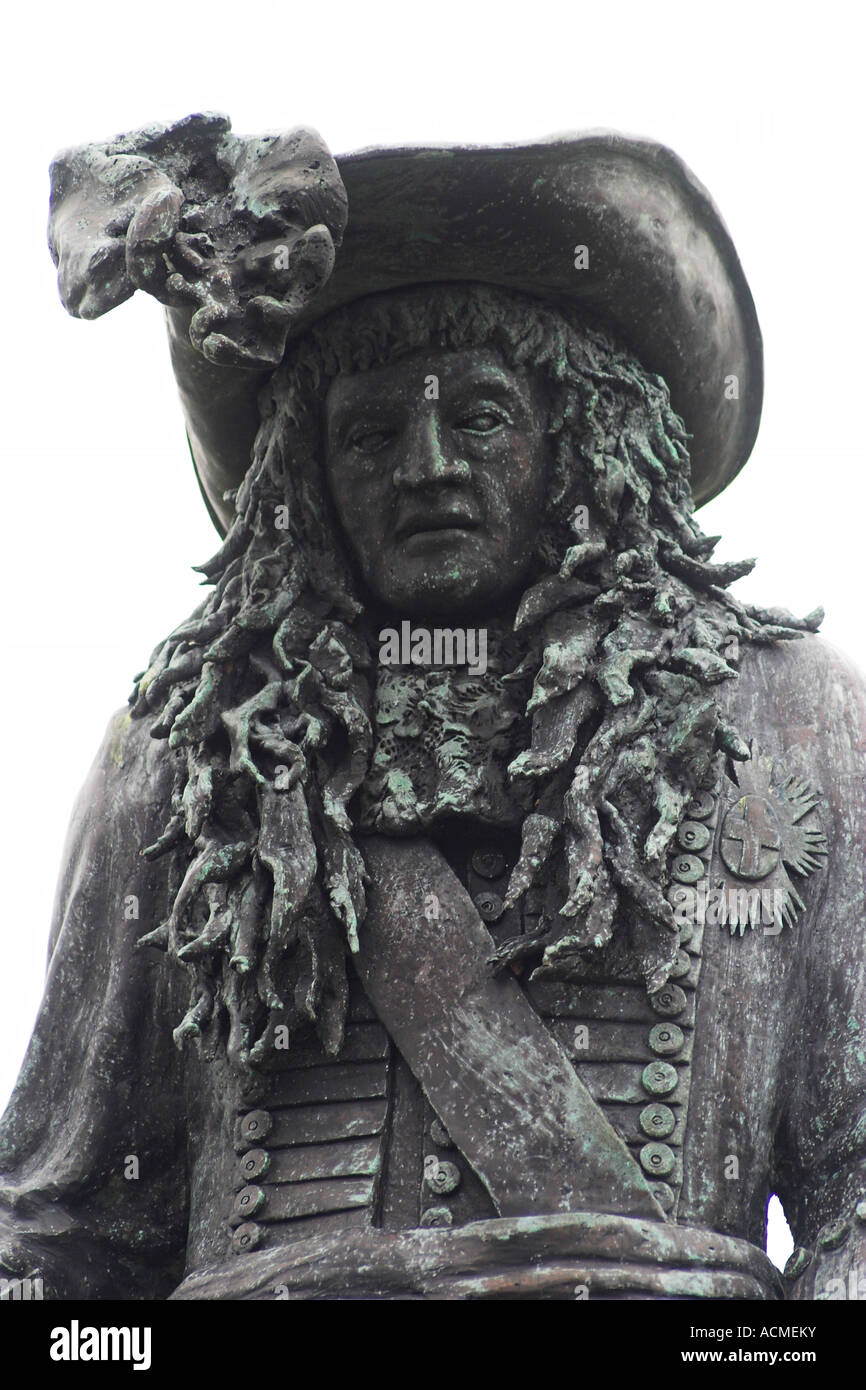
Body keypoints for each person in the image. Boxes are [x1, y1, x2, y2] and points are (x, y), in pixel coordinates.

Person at [1, 114, 863, 1301]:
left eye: (478, 414)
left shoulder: (782, 718)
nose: (425, 465)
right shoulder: (183, 756)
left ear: (583, 437)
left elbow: (853, 1206)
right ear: (301, 481)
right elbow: (62, 1239)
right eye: (365, 431)